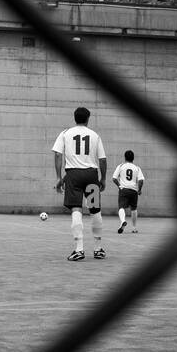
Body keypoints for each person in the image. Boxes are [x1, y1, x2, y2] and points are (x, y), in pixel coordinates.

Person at [52, 107, 108, 261]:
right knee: (95, 210)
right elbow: (102, 160)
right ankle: (98, 249)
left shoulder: (65, 133)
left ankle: (79, 249)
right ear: (88, 119)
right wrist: (102, 179)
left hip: (73, 175)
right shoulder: (95, 135)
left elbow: (58, 154)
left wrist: (58, 177)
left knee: (76, 209)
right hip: (91, 175)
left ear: (74, 118)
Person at [111, 150, 144, 234]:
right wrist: (139, 190)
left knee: (121, 207)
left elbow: (114, 178)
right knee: (133, 209)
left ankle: (123, 221)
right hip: (133, 190)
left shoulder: (121, 166)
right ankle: (134, 228)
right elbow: (141, 180)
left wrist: (119, 186)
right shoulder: (137, 167)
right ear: (133, 158)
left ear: (125, 157)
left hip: (124, 190)